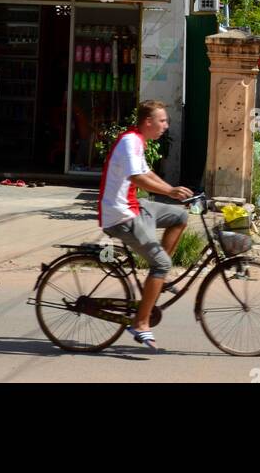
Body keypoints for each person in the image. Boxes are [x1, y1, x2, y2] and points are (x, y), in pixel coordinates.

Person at [98, 99, 193, 349]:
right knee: (161, 262)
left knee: (180, 216)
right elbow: (137, 177)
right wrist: (170, 191)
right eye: (162, 121)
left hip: (135, 207)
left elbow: (147, 172)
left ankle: (158, 278)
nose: (165, 125)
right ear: (148, 122)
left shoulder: (138, 141)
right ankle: (140, 322)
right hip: (121, 215)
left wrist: (173, 191)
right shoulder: (130, 141)